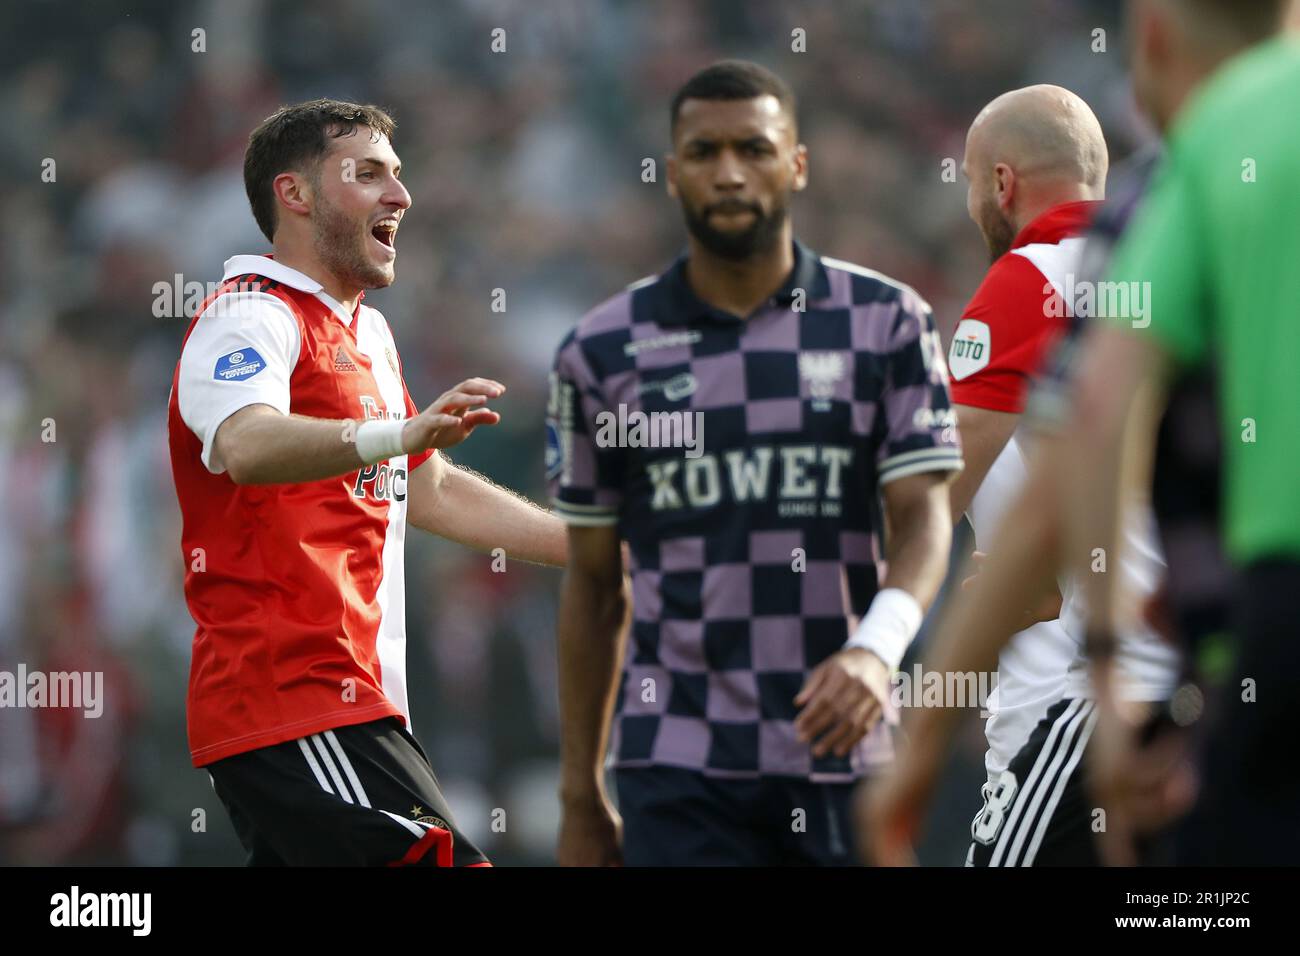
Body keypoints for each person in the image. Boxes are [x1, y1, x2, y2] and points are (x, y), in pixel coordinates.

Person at [861, 0, 1288, 867]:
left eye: (975, 182)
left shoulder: (1042, 271)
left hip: (1089, 707)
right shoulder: (1177, 233)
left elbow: (934, 493)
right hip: (1219, 681)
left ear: (1003, 186)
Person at [548, 60, 961, 867]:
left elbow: (923, 519)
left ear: (796, 163)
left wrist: (879, 647)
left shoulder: (885, 323)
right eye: (704, 152)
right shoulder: (600, 352)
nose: (729, 172)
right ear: (671, 174)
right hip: (676, 760)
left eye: (754, 148)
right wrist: (579, 793)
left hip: (846, 745)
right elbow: (593, 586)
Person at [167, 99, 568, 866]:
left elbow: (431, 487)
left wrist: (586, 546)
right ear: (296, 194)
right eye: (371, 174)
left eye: (400, 175)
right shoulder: (249, 314)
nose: (401, 196)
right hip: (292, 696)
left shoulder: (367, 333)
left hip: (352, 701)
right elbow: (246, 444)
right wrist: (395, 435)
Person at [1066, 9, 1300, 865]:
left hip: (1276, 607)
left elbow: (1102, 398)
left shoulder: (1222, 130)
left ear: (1154, 32)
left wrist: (1106, 668)